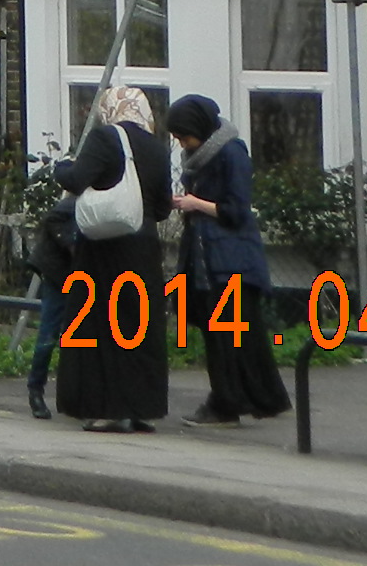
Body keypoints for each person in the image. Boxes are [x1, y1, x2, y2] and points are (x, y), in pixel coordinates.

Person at [47, 85, 167, 434]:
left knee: (101, 326)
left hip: (105, 250)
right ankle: (143, 407)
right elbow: (160, 208)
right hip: (144, 251)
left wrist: (62, 167)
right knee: (139, 327)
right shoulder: (156, 149)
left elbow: (77, 178)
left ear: (110, 109)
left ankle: (108, 409)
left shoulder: (105, 138)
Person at [167, 94, 290, 426]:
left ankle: (227, 402)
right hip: (209, 260)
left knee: (229, 335)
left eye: (183, 135)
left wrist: (196, 204)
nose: (181, 143)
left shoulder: (232, 155)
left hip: (230, 261)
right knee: (228, 335)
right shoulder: (201, 157)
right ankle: (247, 398)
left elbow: (237, 210)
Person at [22, 159, 75, 420]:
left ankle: (53, 391)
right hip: (58, 275)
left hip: (69, 275)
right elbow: (54, 223)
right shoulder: (68, 207)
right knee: (50, 333)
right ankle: (36, 389)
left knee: (65, 335)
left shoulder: (76, 203)